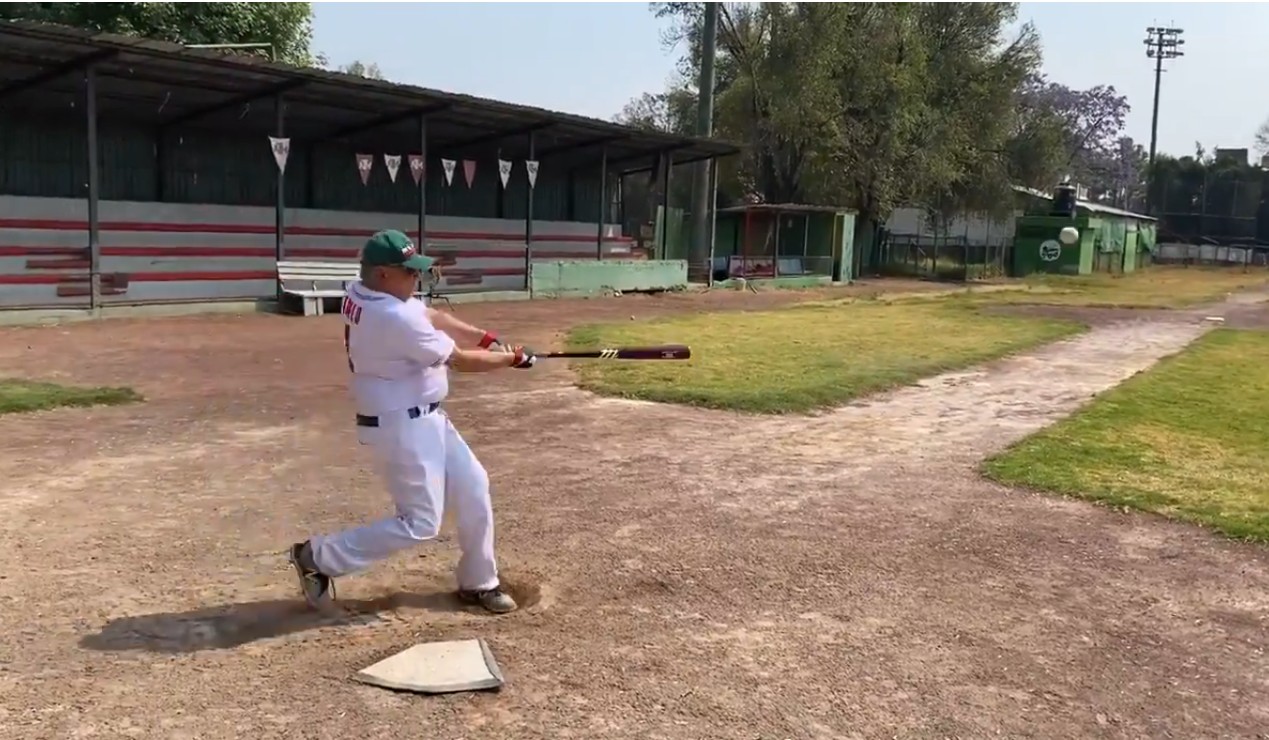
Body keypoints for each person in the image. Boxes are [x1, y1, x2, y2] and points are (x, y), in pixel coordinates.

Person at [287, 229, 535, 615]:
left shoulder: (363, 290)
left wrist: (489, 339)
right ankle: (316, 556)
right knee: (419, 522)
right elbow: (462, 362)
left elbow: (432, 314)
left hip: (426, 415)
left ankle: (478, 582)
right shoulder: (394, 317)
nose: (416, 278)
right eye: (409, 272)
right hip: (400, 424)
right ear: (384, 274)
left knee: (473, 486)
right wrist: (512, 359)